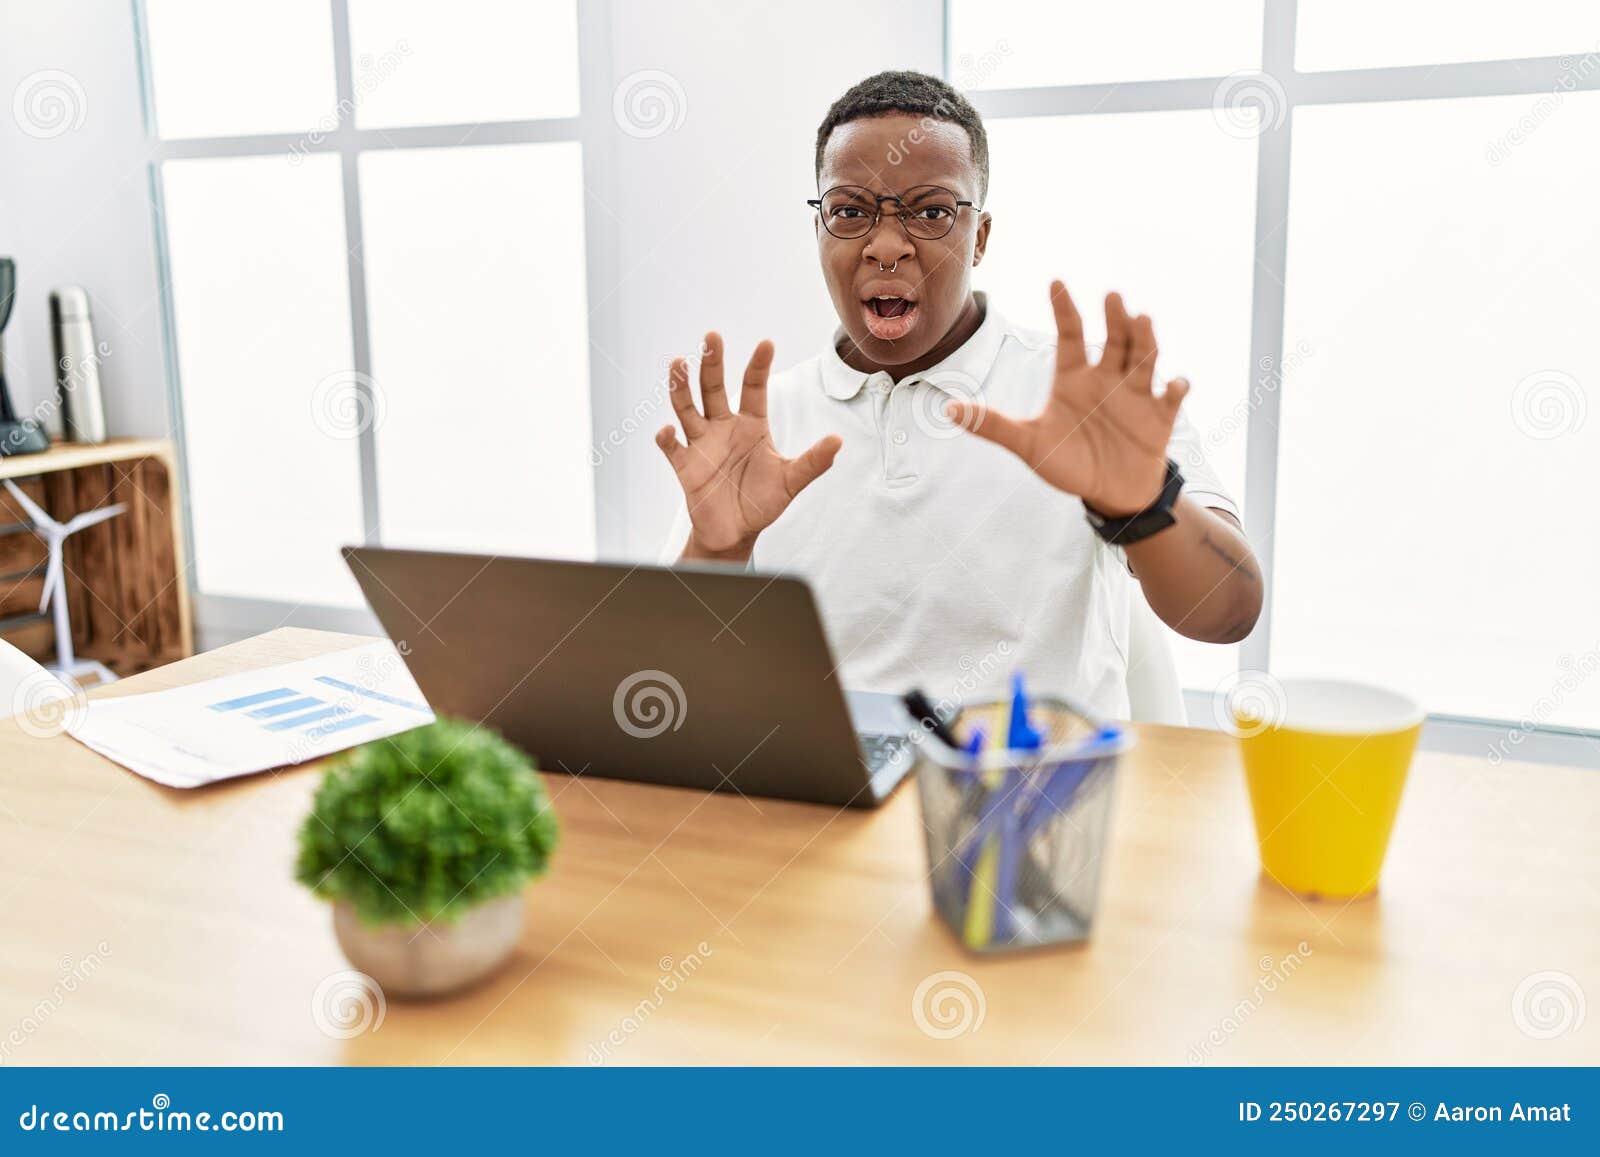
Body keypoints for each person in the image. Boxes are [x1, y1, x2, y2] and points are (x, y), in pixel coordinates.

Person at [656, 70, 1262, 719]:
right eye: (850, 211)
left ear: (980, 235)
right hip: (824, 800)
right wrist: (717, 551)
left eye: (932, 211)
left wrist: (1145, 503)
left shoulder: (1085, 395)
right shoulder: (765, 421)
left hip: (1034, 797)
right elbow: (666, 677)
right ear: (820, 228)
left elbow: (1229, 612)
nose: (886, 246)